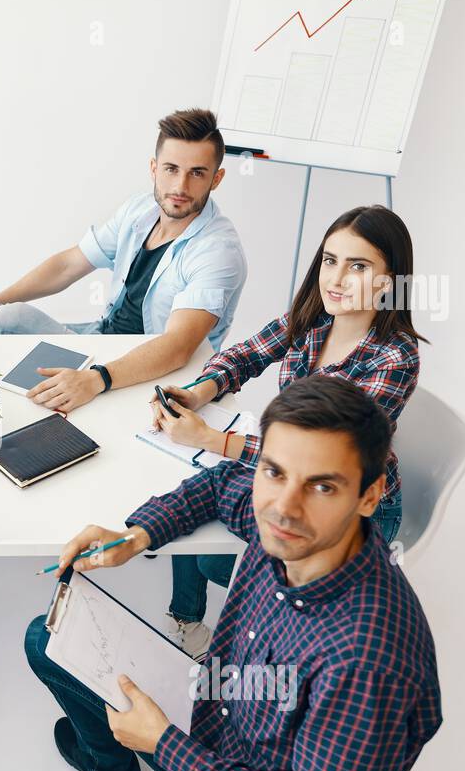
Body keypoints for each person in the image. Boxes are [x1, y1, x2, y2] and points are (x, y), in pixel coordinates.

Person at [0, 376, 441, 771]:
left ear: (369, 495)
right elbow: (217, 485)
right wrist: (135, 536)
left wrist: (167, 747)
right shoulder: (285, 522)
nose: (283, 508)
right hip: (213, 717)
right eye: (274, 472)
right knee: (46, 639)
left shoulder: (369, 663)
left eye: (321, 486)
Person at [152, 205, 423, 656]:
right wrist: (200, 391)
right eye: (330, 261)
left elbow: (318, 460)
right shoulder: (313, 320)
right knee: (194, 500)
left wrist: (212, 440)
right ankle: (187, 619)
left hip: (353, 506)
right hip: (285, 472)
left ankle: (269, 639)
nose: (335, 279)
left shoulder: (394, 358)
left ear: (390, 280)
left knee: (211, 558)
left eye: (358, 266)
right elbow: (245, 355)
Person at [0, 108, 246, 415]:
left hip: (150, 373)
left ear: (216, 179)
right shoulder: (141, 209)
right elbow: (69, 265)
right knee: (0, 321)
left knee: (5, 325)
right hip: (101, 336)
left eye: (197, 174)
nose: (180, 186)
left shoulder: (218, 251)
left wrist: (96, 379)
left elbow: (177, 348)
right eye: (171, 169)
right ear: (153, 168)